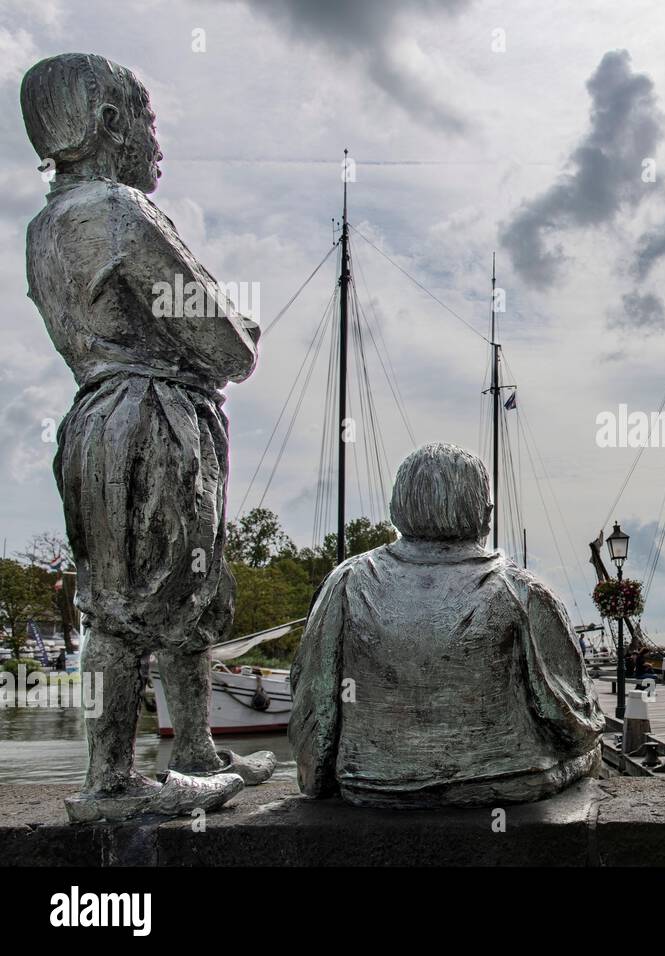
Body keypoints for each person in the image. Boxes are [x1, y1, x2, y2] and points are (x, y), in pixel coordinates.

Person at [22, 53, 270, 823]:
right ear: (109, 125)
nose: (158, 144)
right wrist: (238, 332)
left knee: (160, 591)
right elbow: (227, 344)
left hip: (93, 414)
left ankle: (192, 751)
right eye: (151, 123)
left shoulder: (43, 228)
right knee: (140, 599)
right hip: (152, 419)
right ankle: (111, 784)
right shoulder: (121, 212)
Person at [291, 443, 604, 807]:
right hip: (508, 783)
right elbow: (570, 718)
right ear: (485, 514)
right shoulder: (521, 590)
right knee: (592, 755)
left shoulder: (345, 583)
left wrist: (318, 782)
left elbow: (314, 703)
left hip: (373, 787)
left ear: (397, 508)